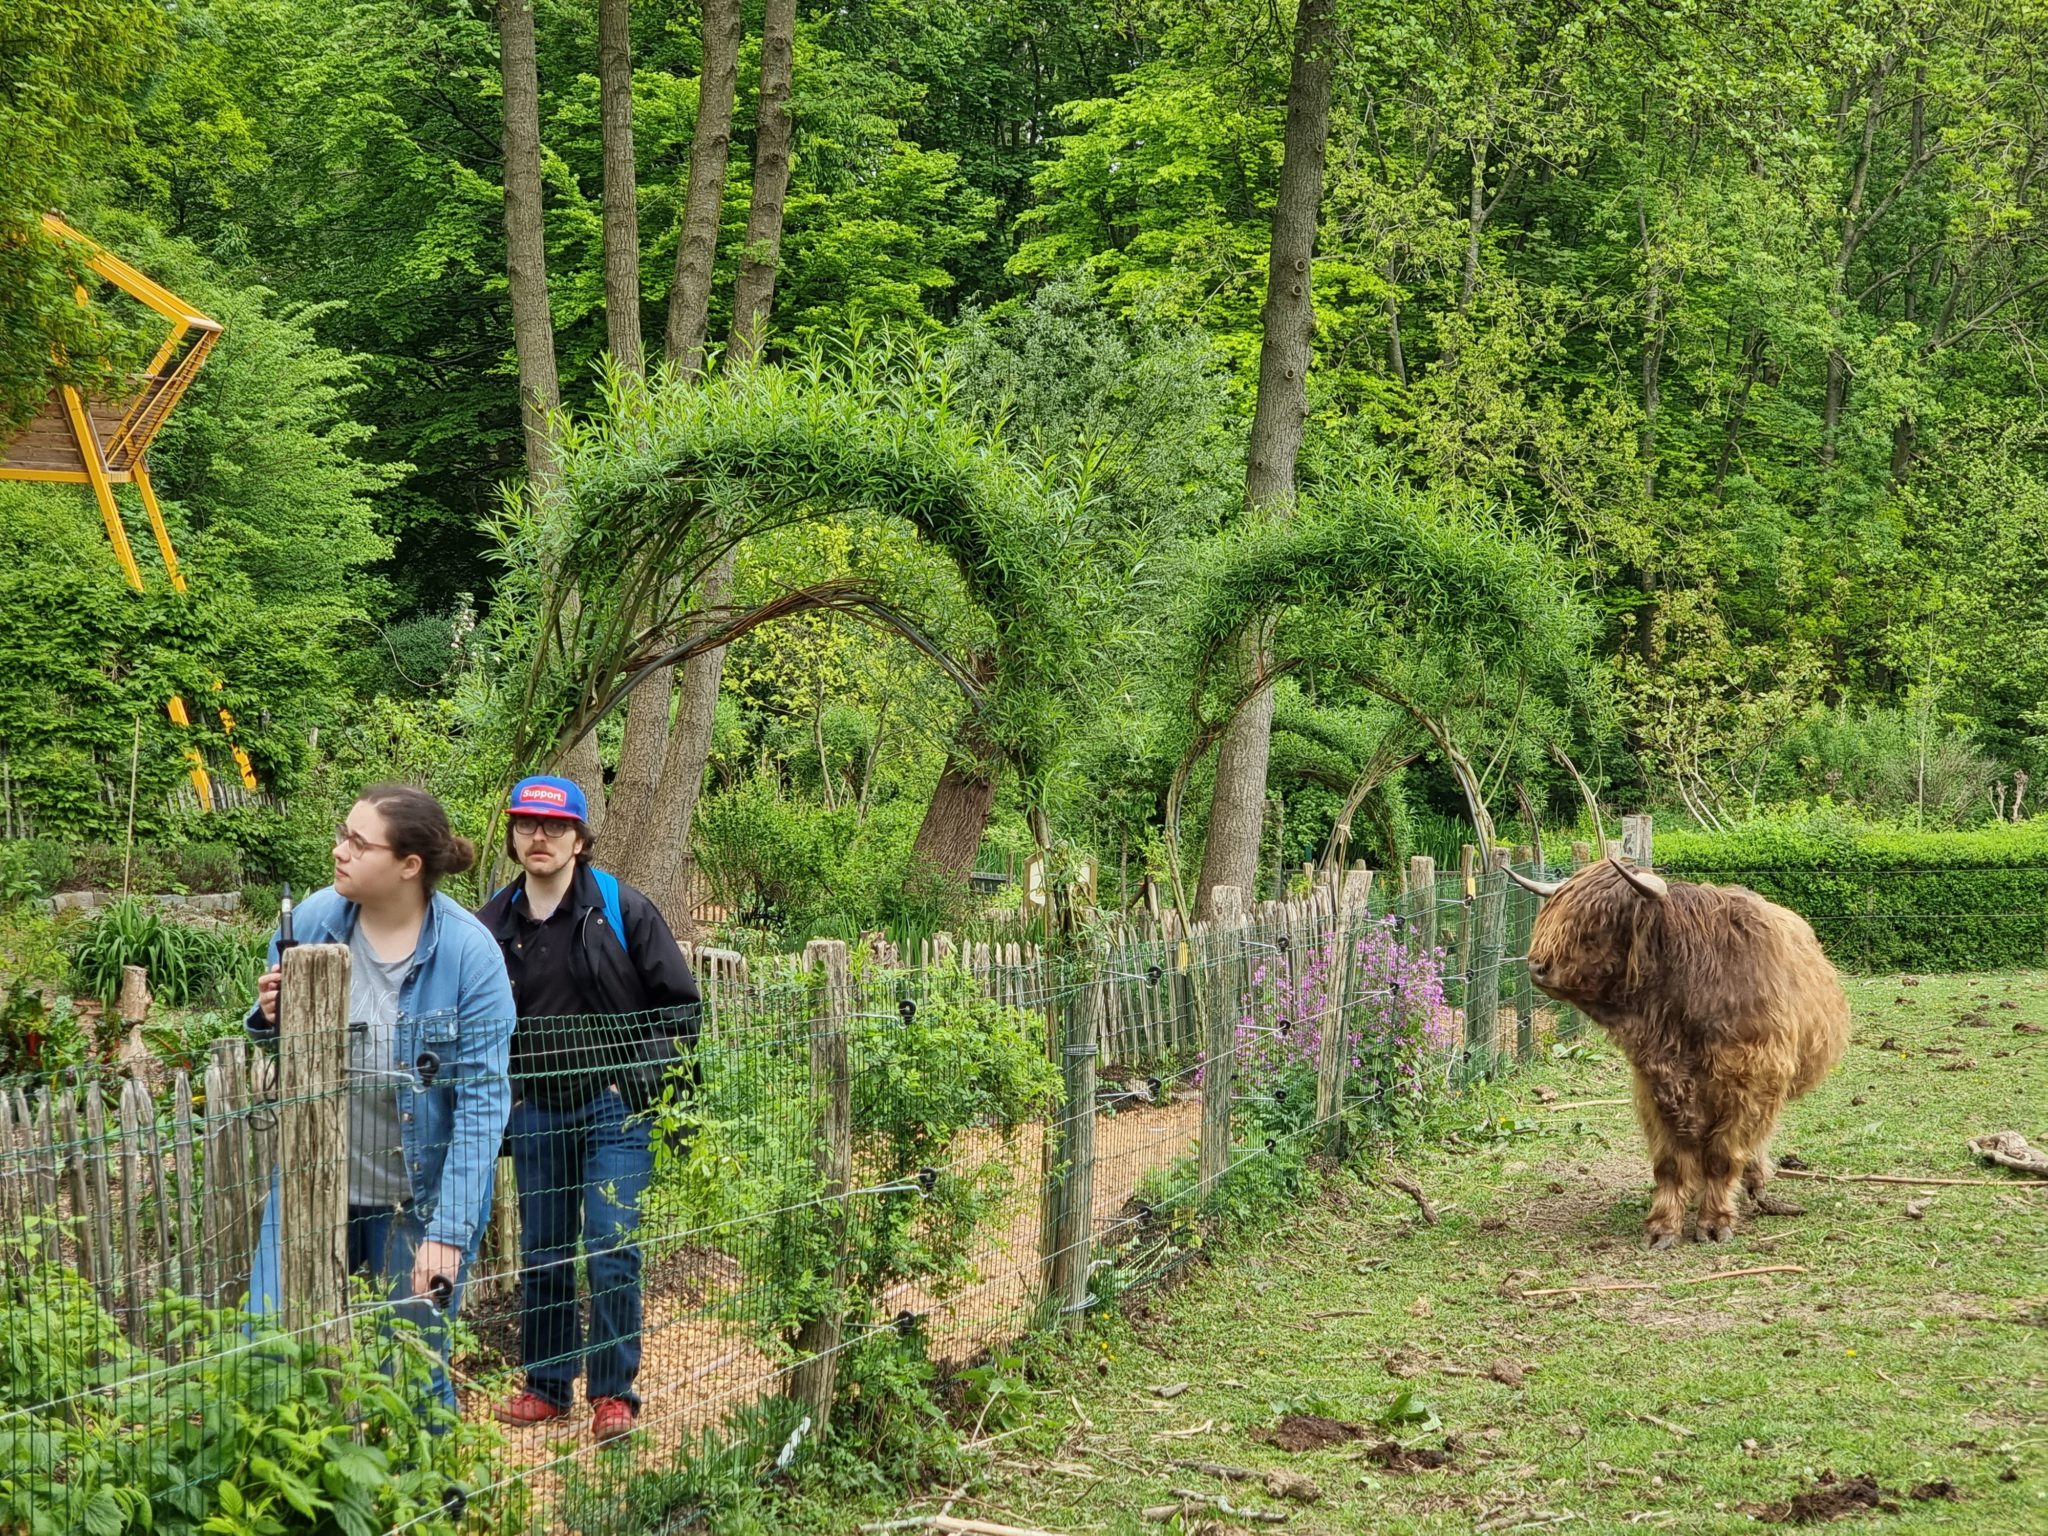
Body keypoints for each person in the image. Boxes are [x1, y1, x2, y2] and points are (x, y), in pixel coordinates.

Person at [245, 784, 514, 1415]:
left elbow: (482, 1107)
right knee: (268, 1350)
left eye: (357, 842)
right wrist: (268, 1015)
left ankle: (428, 1507)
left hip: (413, 1202)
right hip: (315, 1182)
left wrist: (448, 1233)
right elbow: (272, 1035)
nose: (339, 850)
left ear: (409, 866)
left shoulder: (470, 956)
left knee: (412, 1373)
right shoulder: (313, 921)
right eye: (343, 834)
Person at [477, 775, 701, 1444]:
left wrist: (632, 1079)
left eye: (553, 827)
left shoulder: (620, 908)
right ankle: (547, 1386)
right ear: (515, 835)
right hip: (539, 1108)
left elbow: (680, 1005)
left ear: (579, 838)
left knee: (610, 1244)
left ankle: (612, 1393)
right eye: (525, 825)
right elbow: (473, 1018)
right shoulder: (492, 922)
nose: (538, 837)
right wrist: (511, 1094)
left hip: (615, 1110)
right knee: (544, 1251)